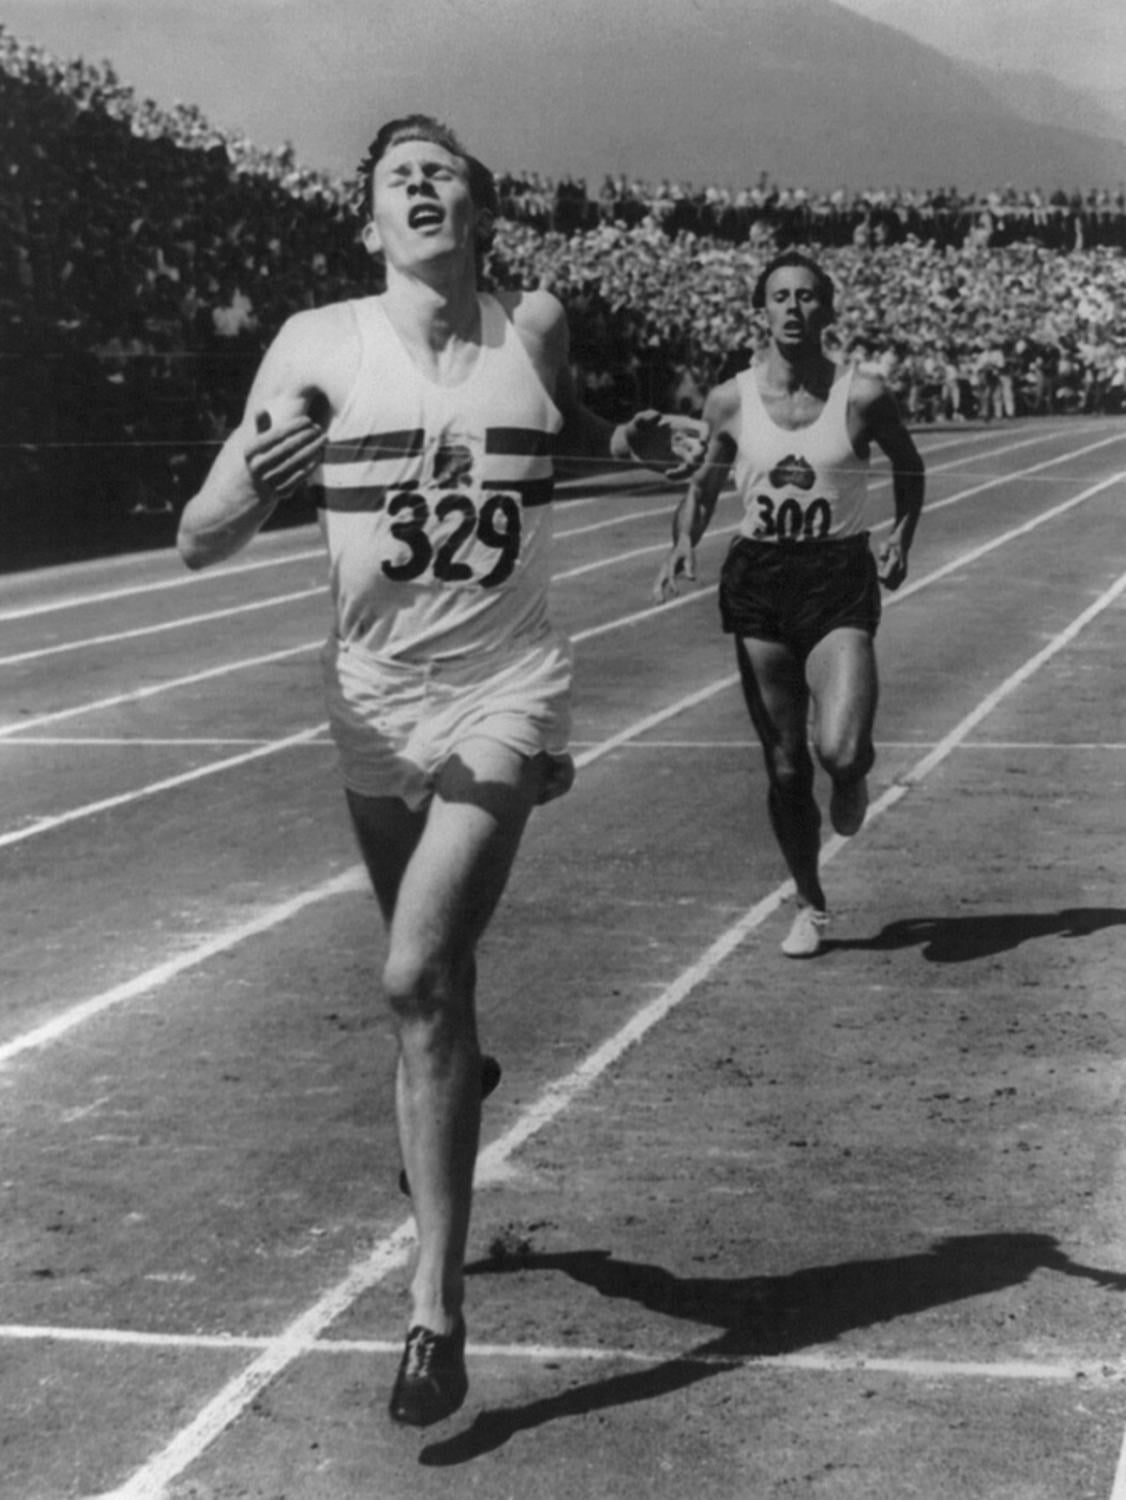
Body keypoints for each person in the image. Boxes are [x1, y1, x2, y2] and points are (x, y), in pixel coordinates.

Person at [176, 114, 706, 1427]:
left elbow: (561, 435)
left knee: (416, 975)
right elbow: (198, 537)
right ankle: (455, 1079)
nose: (416, 188)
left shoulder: (530, 327)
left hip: (502, 689)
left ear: (479, 215)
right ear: (369, 226)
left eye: (441, 176)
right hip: (370, 699)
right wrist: (254, 479)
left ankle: (433, 1313)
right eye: (392, 180)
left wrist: (640, 453)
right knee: (439, 1007)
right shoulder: (316, 345)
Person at [654, 249, 924, 959]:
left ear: (828, 312)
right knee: (782, 765)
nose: (795, 309)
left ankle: (853, 773)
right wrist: (684, 540)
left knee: (838, 748)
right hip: (760, 580)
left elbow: (910, 463)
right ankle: (810, 900)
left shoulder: (860, 395)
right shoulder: (729, 400)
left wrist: (902, 533)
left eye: (809, 297)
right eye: (781, 297)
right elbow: (705, 485)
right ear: (761, 312)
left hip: (838, 577)